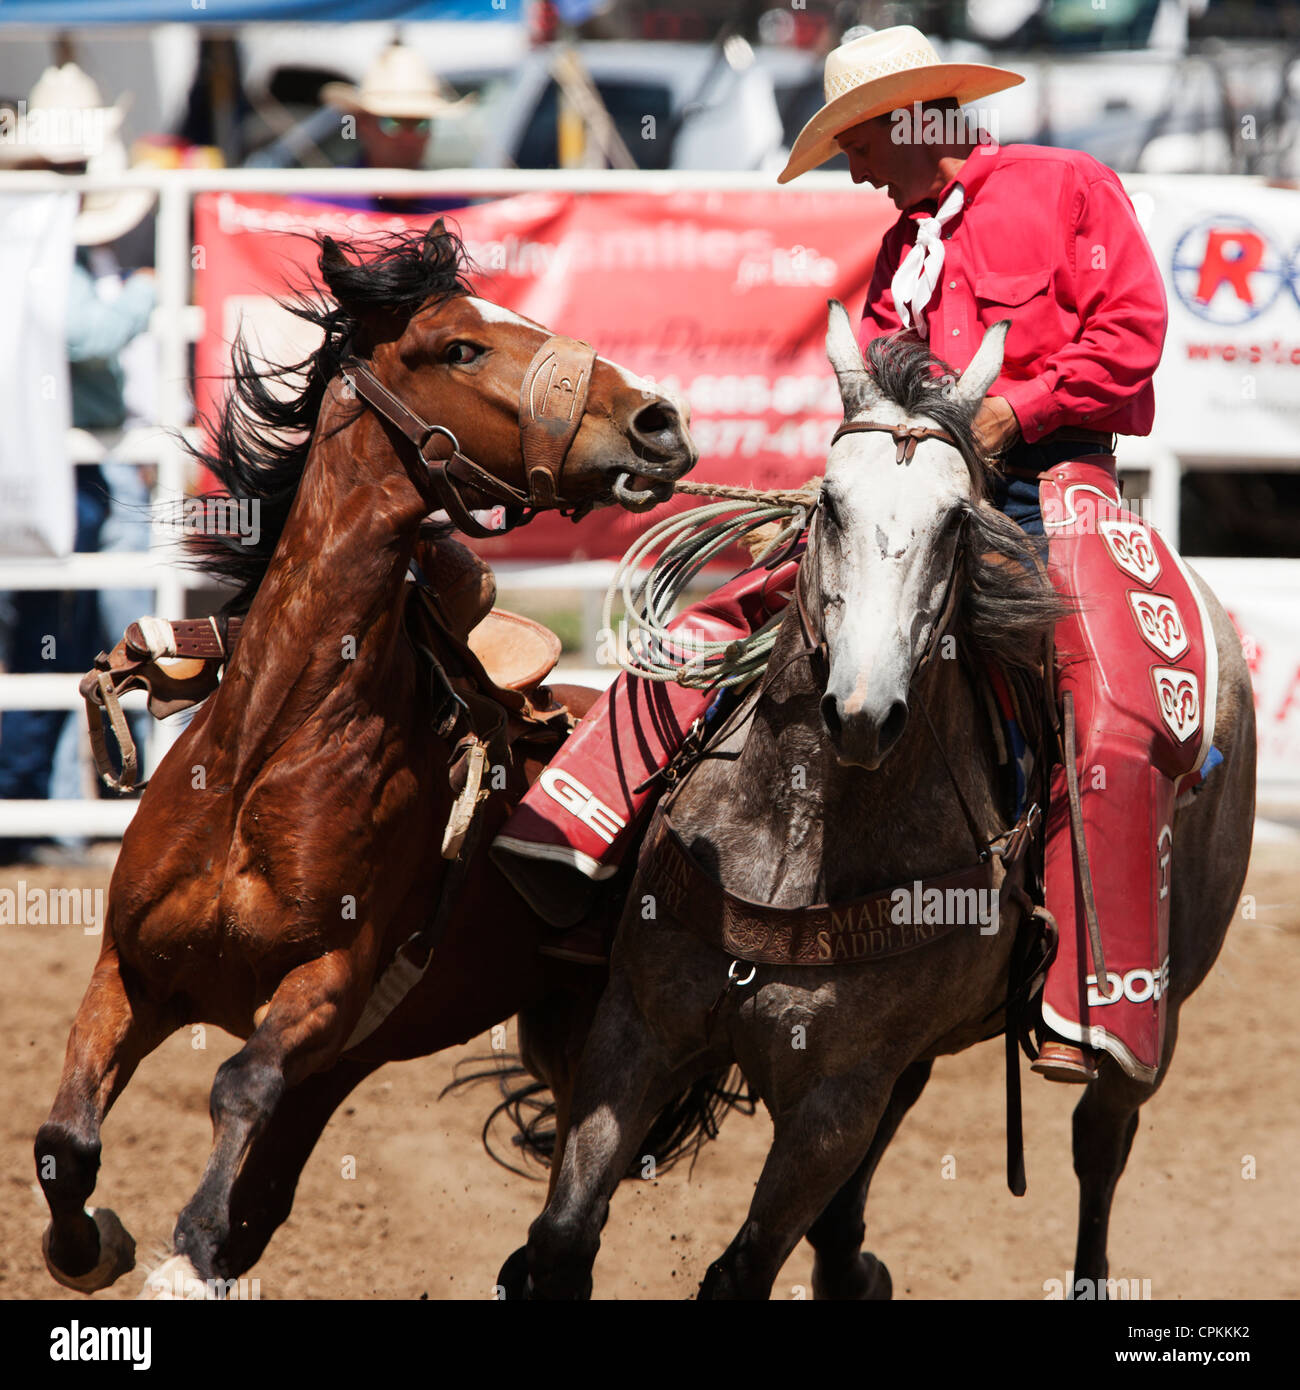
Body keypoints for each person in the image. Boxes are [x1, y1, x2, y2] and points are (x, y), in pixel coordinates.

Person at [493, 26, 1203, 1090]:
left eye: (856, 145)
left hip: (1045, 486)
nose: (856, 169)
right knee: (734, 619)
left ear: (906, 121)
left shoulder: (1066, 188)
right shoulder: (899, 247)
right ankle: (578, 834)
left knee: (1108, 705)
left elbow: (1129, 337)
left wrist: (1013, 413)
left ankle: (1095, 989)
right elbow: (872, 380)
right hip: (911, 496)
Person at [0, 63, 157, 864]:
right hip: (65, 471)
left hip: (62, 463)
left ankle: (44, 815)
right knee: (74, 637)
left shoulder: (39, 244)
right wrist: (145, 298)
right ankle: (35, 813)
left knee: (64, 640)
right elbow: (84, 335)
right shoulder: (49, 253)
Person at [315, 42, 472, 216]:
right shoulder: (323, 199)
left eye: (421, 122)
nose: (408, 137)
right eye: (393, 122)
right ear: (363, 124)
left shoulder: (453, 204)